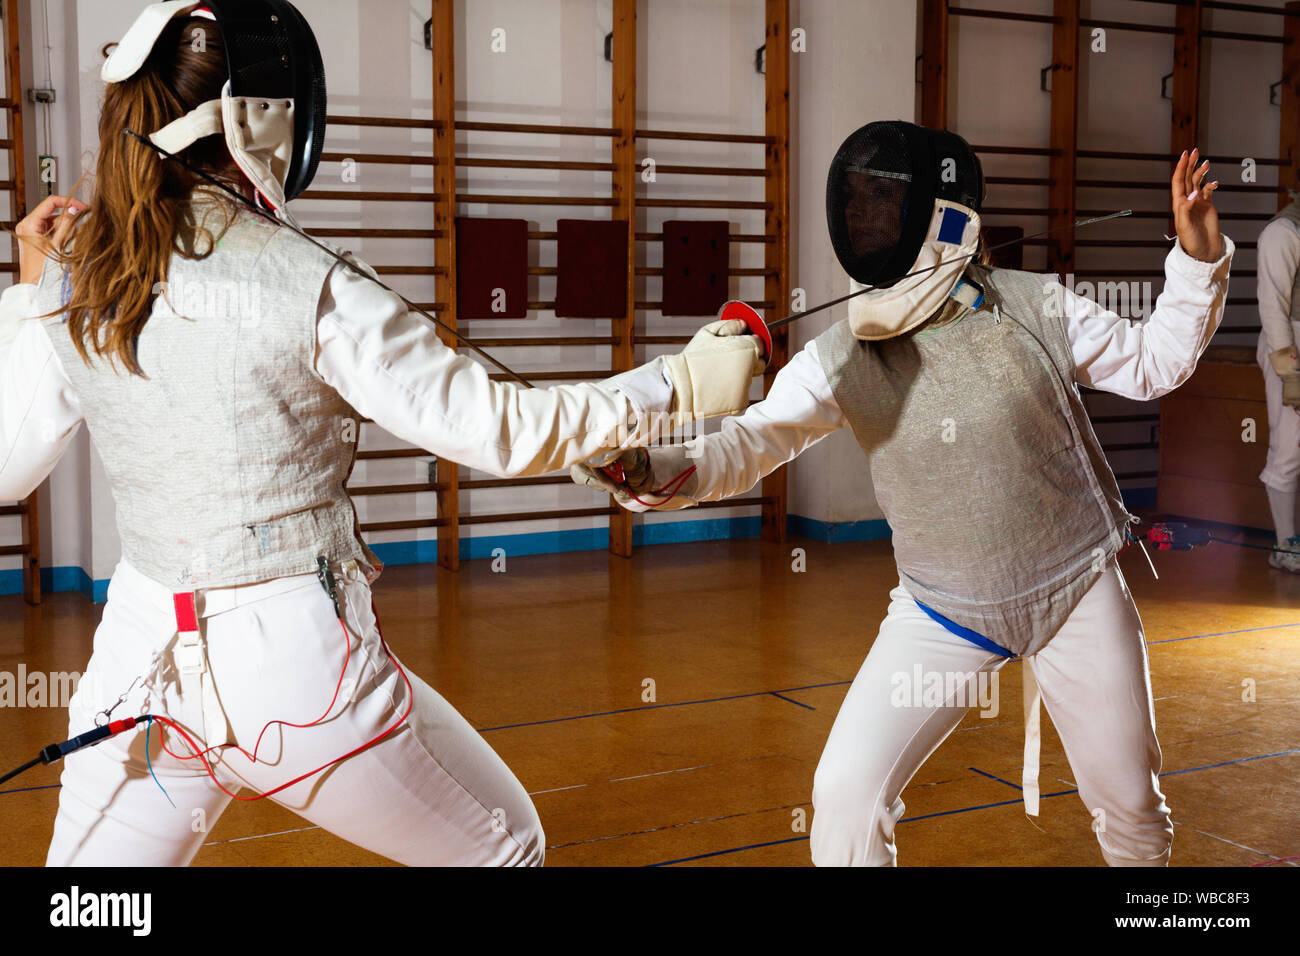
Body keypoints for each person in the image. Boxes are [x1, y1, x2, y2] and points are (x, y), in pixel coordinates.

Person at [0, 0, 764, 866]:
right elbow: (496, 428)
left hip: (138, 674)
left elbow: (4, 466)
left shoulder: (76, 283)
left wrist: (28, 298)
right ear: (265, 122)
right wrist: (674, 384)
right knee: (506, 847)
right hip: (294, 678)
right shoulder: (308, 282)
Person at [575, 121, 1233, 866]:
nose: (863, 218)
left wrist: (1198, 257)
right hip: (943, 610)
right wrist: (652, 469)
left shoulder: (1036, 305)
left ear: (940, 216)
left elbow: (1154, 364)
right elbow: (752, 441)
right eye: (856, 204)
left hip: (1073, 588)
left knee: (1133, 811)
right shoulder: (842, 356)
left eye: (881, 203)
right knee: (845, 798)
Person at [1254, 194, 1300, 572]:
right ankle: (1287, 545)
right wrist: (1290, 376)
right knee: (1289, 451)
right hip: (1291, 349)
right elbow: (1272, 307)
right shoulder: (1282, 231)